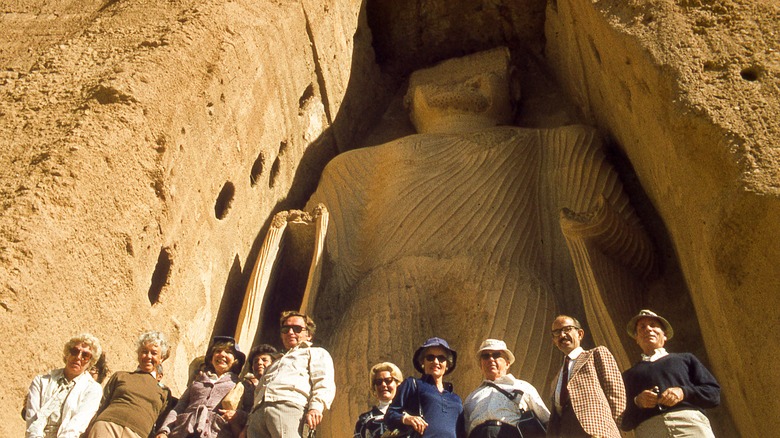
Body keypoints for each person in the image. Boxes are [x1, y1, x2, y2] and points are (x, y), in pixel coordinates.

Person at [621, 309, 720, 437]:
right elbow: (624, 422)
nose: (648, 329)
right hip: (650, 431)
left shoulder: (685, 359)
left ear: (665, 335)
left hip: (690, 425)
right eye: (642, 327)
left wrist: (683, 392)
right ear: (637, 338)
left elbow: (713, 394)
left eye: (653, 325)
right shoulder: (628, 376)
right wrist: (638, 402)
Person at [246, 310, 336, 437]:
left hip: (289, 407)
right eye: (286, 329)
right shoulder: (275, 362)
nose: (290, 332)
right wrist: (249, 422)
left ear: (309, 334)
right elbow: (258, 391)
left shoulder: (315, 353)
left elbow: (323, 380)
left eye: (297, 329)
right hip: (258, 415)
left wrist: (316, 407)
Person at [156, 336, 251, 438]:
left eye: (228, 352)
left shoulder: (240, 385)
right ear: (211, 358)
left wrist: (237, 415)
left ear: (235, 360)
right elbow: (179, 407)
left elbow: (250, 415)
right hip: (183, 433)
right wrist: (164, 431)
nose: (222, 354)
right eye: (218, 351)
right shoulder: (197, 381)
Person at [547, 315, 625, 438]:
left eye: (567, 329)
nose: (562, 335)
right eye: (557, 332)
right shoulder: (557, 379)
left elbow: (616, 393)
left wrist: (607, 429)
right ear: (554, 341)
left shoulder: (595, 355)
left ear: (580, 334)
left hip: (596, 432)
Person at [87, 331, 172, 438]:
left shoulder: (164, 392)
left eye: (154, 353)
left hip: (138, 433)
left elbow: (160, 423)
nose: (148, 356)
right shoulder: (120, 376)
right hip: (107, 425)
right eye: (144, 352)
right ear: (138, 354)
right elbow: (101, 404)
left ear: (161, 358)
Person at [464, 339, 550, 438]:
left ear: (507, 363)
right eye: (485, 356)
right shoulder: (471, 397)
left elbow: (546, 420)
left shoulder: (524, 387)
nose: (491, 359)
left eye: (496, 355)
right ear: (481, 365)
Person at [25, 333, 103, 438]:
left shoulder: (93, 390)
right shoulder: (41, 382)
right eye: (75, 351)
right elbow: (32, 420)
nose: (78, 357)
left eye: (85, 355)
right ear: (67, 354)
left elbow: (76, 426)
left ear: (90, 362)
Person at [385, 337, 466, 437]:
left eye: (441, 358)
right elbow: (389, 415)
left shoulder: (456, 399)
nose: (436, 362)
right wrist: (406, 418)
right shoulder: (413, 384)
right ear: (422, 362)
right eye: (430, 357)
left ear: (447, 365)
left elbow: (461, 433)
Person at [353, 362, 404, 438]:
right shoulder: (364, 420)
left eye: (388, 380)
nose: (383, 385)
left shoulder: (410, 413)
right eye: (378, 382)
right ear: (374, 388)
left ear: (398, 384)